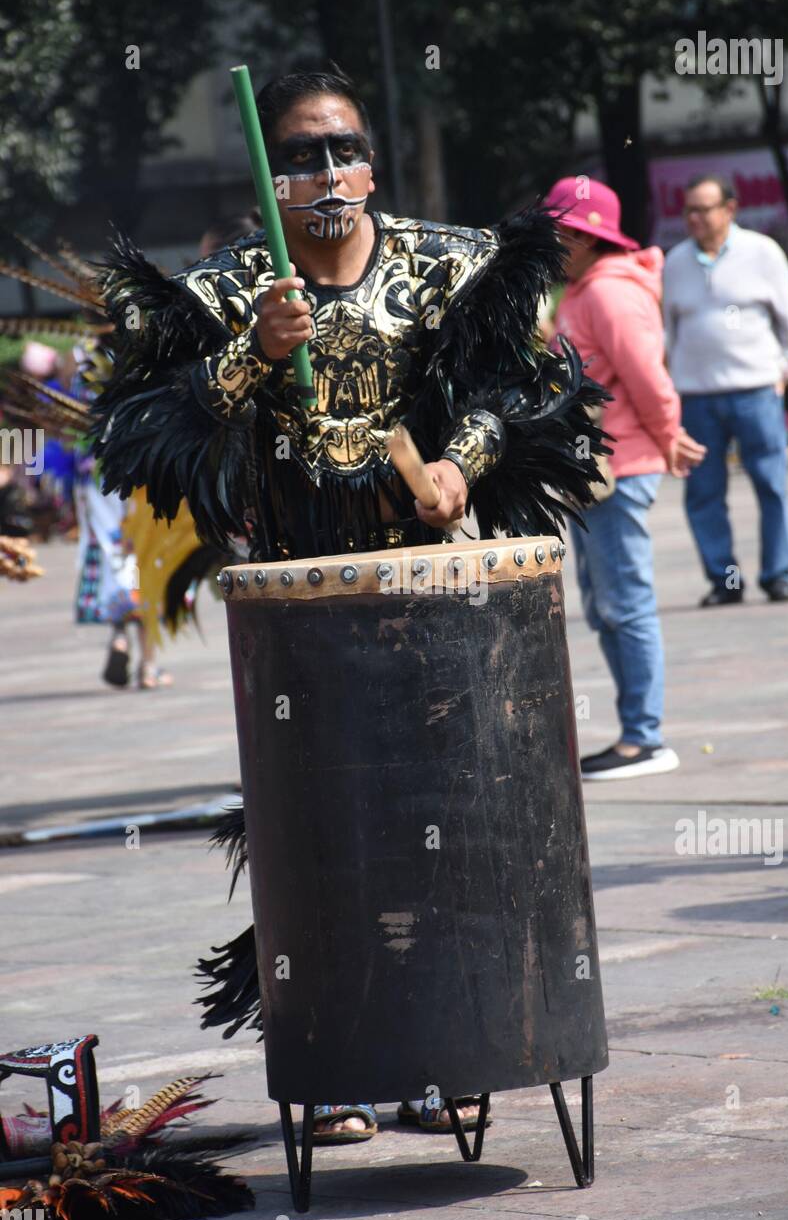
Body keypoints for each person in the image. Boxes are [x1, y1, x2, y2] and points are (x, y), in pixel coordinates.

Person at [91, 67, 609, 1145]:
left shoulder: (449, 263)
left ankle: (440, 1052)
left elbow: (523, 389)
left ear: (371, 161)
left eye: (344, 150)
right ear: (270, 177)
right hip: (298, 611)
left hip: (432, 598)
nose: (327, 175)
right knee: (315, 831)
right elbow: (141, 432)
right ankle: (331, 1060)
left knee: (443, 826)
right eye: (302, 156)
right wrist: (254, 354)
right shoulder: (228, 291)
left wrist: (463, 462)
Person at [543, 177, 704, 781]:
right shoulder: (586, 290)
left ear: (584, 237)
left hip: (622, 467)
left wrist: (669, 437)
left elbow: (647, 374)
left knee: (625, 602)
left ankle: (645, 737)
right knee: (607, 604)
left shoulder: (610, 295)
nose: (552, 243)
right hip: (595, 470)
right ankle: (637, 731)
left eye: (559, 232)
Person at [663, 175, 788, 606]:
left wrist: (781, 372)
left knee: (771, 485)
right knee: (704, 493)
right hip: (698, 397)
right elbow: (669, 331)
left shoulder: (762, 253)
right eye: (688, 210)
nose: (694, 218)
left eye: (703, 209)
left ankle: (777, 574)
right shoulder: (676, 262)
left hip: (756, 390)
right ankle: (725, 580)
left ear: (730, 209)